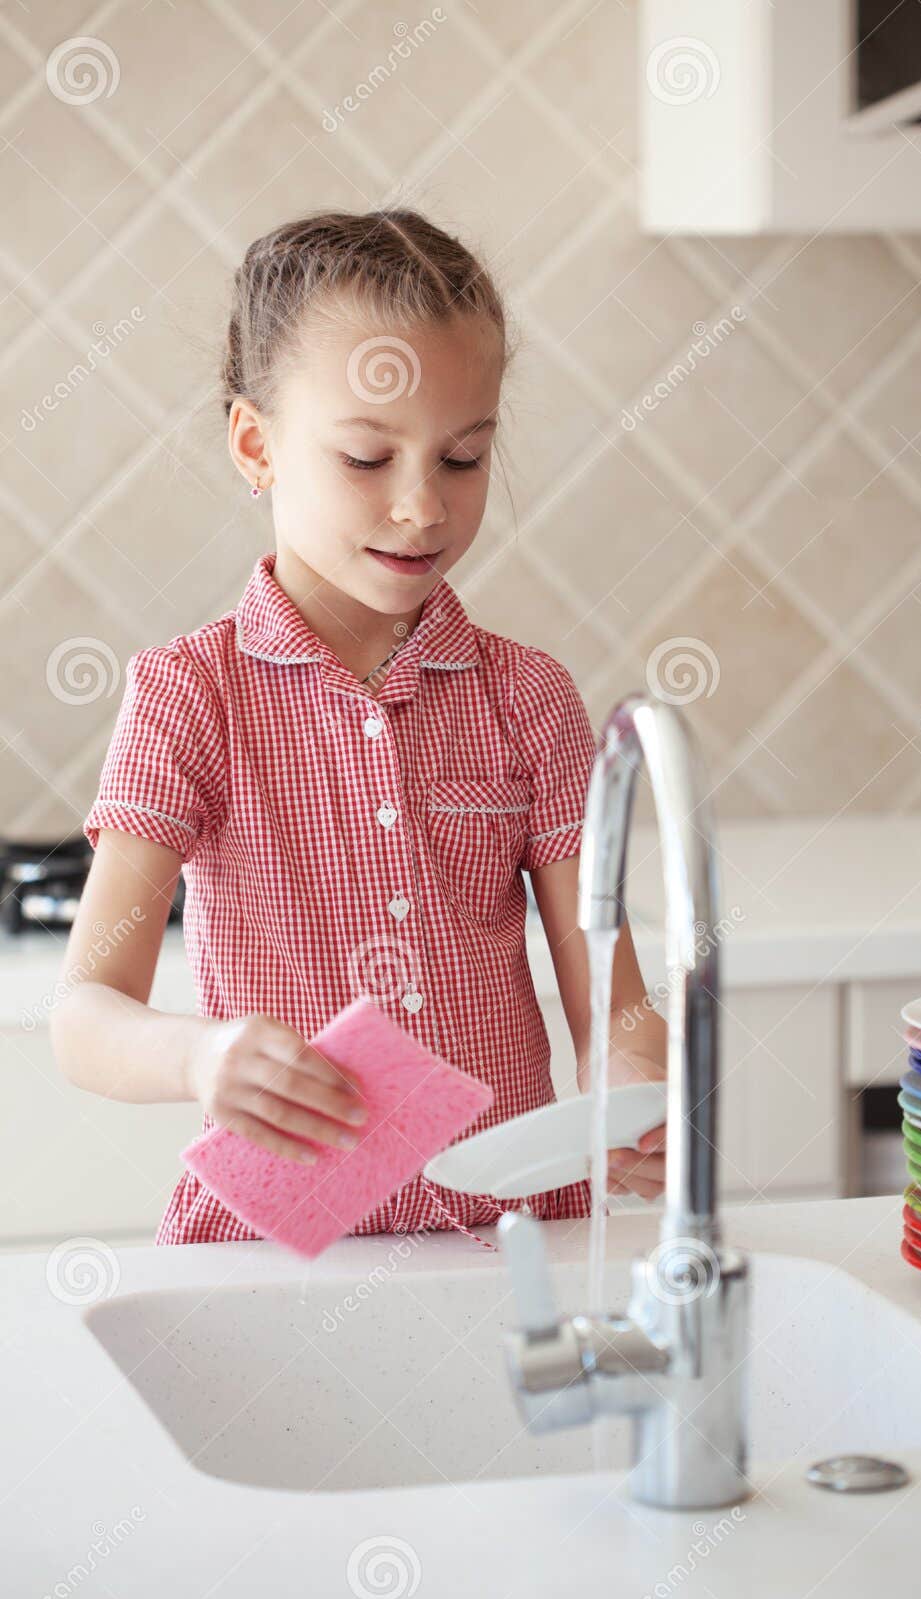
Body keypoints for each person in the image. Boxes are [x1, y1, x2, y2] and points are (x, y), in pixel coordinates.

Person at [51, 208, 667, 1246]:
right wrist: (198, 1056)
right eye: (367, 458)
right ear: (256, 445)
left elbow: (614, 997)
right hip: (268, 1256)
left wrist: (632, 1078)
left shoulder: (527, 699)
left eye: (463, 459)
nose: (423, 508)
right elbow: (82, 1017)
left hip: (510, 1237)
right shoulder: (190, 695)